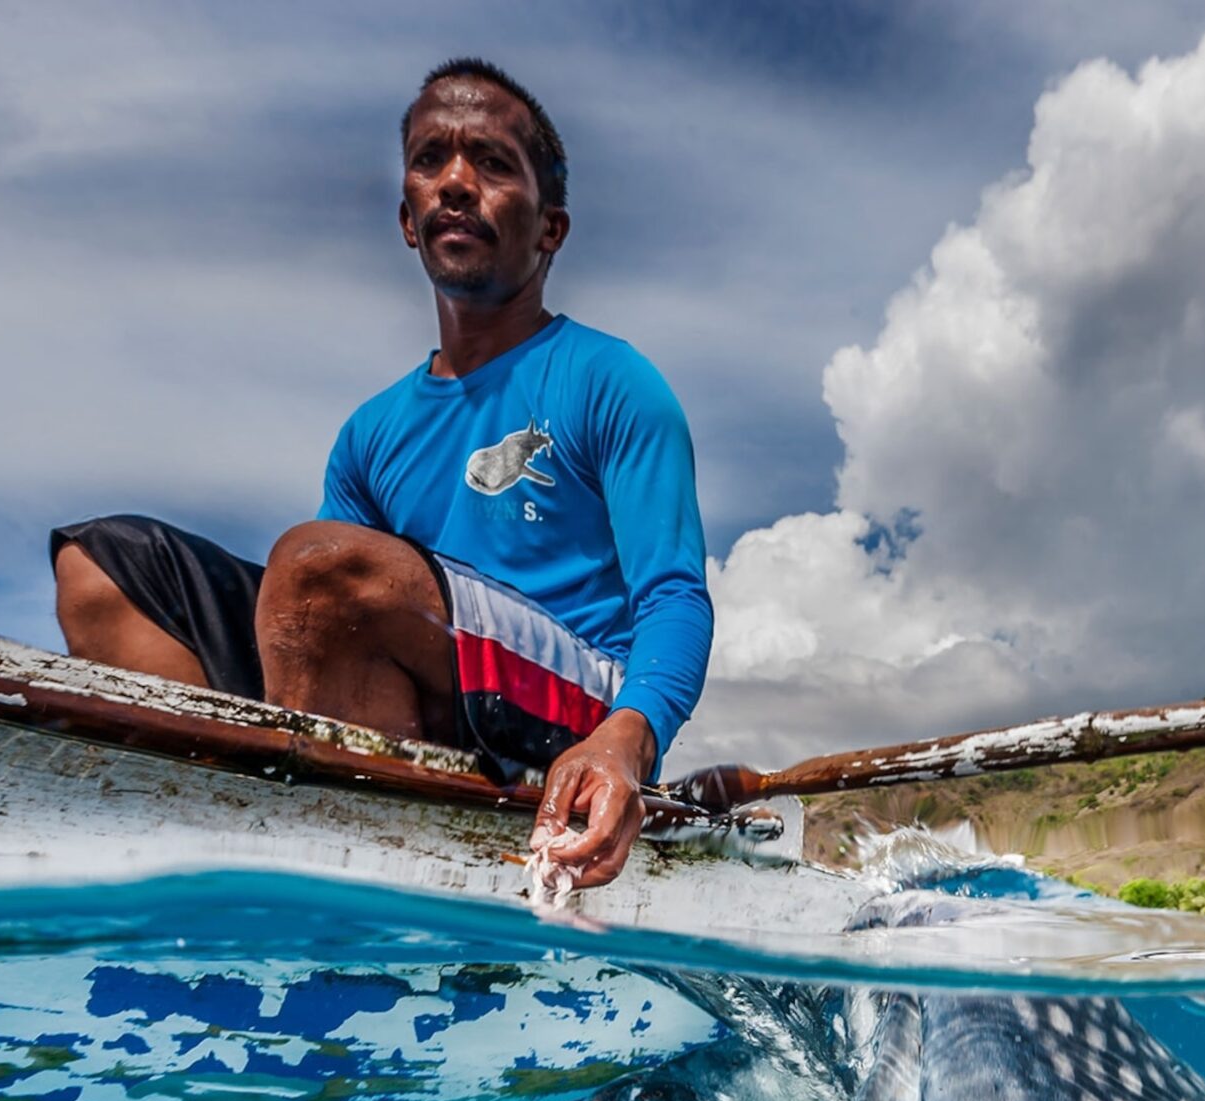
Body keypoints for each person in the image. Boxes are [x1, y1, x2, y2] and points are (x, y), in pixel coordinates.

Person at [49, 58, 711, 889]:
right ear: (407, 218)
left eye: (494, 163)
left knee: (321, 569)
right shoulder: (372, 432)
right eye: (432, 160)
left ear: (551, 230)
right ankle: (203, 845)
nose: (457, 183)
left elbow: (674, 598)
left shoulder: (612, 380)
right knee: (104, 567)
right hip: (438, 690)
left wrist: (629, 735)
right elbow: (309, 631)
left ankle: (333, 877)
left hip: (577, 700)